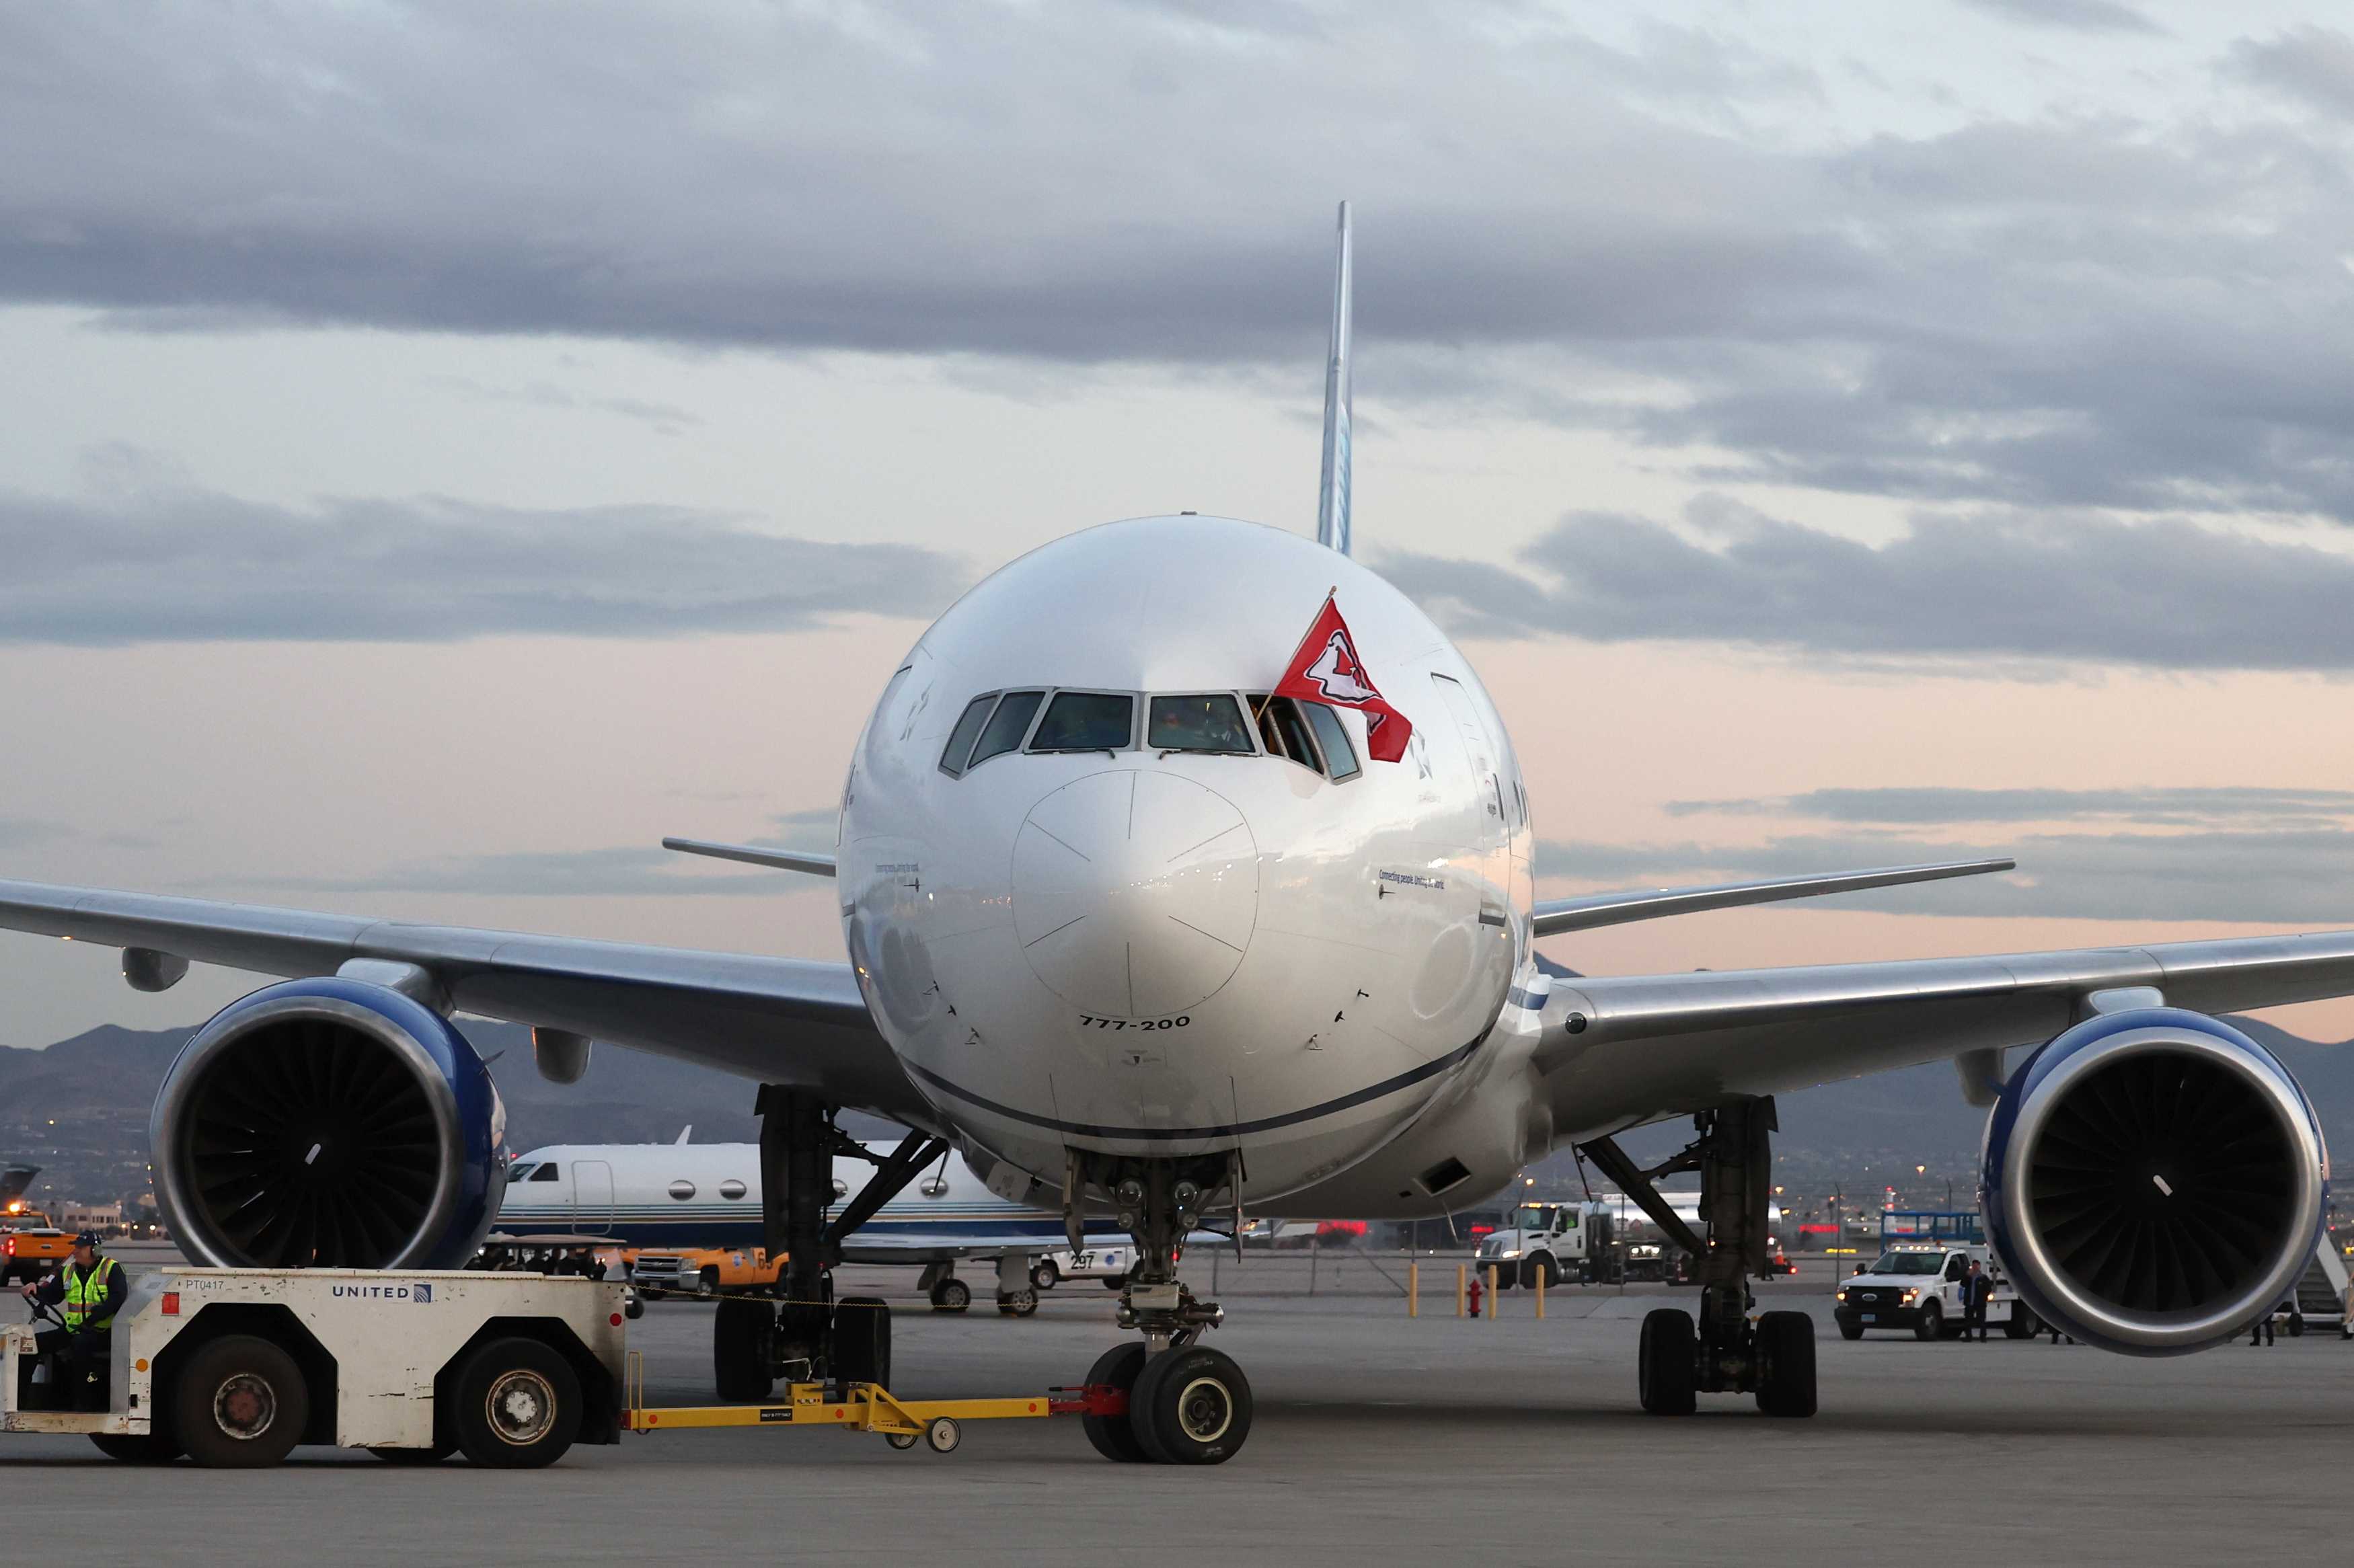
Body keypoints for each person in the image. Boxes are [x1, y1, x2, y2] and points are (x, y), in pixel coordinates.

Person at [18, 1230, 125, 1410]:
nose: (75, 1251)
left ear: (95, 1250)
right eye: (76, 1247)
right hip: (74, 1330)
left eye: (81, 1248)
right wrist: (35, 1289)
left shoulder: (111, 1268)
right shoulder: (68, 1271)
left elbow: (118, 1298)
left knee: (80, 1345)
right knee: (31, 1345)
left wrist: (93, 1319)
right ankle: (21, 1400)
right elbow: (53, 1296)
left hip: (101, 1332)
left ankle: (82, 1402)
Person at [1961, 1260, 1989, 1341]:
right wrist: (1967, 1276)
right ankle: (1968, 1337)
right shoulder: (1969, 1278)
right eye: (1973, 1266)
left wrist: (1984, 1298)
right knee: (1968, 1321)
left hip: (1980, 1303)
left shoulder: (1983, 1278)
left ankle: (1983, 1337)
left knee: (1982, 1321)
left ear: (1979, 1266)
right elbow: (1963, 1284)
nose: (1975, 1268)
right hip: (1970, 1303)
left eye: (1977, 1266)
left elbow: (1988, 1289)